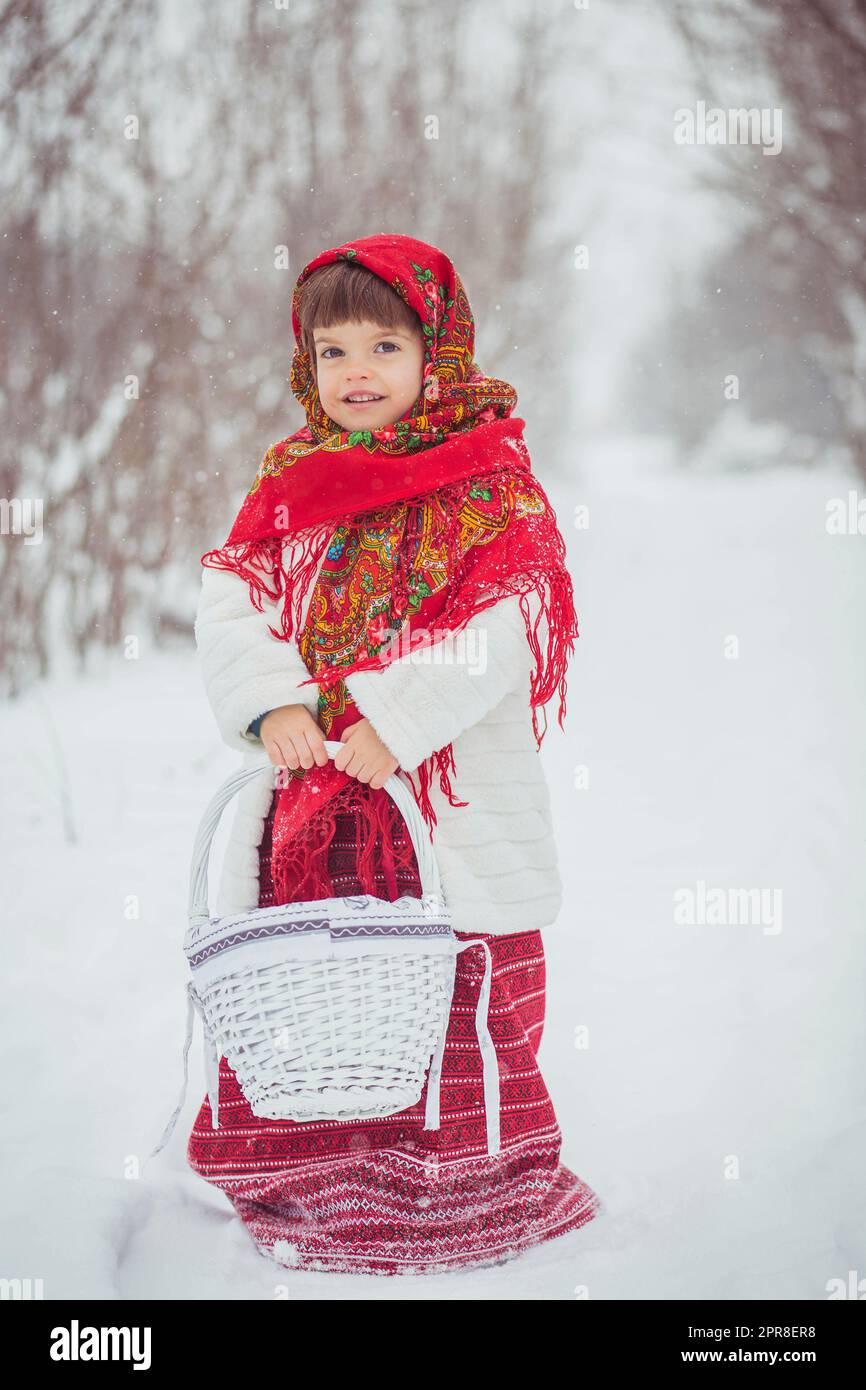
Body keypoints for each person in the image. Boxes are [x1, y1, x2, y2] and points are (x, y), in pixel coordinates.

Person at [186, 232, 602, 1276]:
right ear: (304, 365)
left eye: (383, 345)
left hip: (444, 802)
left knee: (452, 993)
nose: (357, 373)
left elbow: (503, 625)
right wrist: (271, 705)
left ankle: (464, 1192)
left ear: (438, 352)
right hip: (315, 802)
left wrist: (395, 719)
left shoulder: (486, 480)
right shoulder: (290, 484)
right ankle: (316, 1189)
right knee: (324, 994)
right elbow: (233, 601)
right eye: (331, 353)